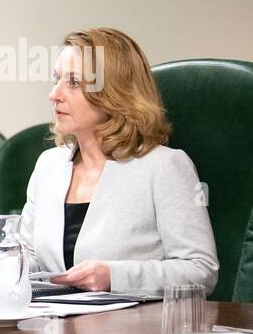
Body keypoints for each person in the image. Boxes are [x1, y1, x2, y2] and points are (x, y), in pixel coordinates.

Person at [20, 28, 218, 295]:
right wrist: (5, 265)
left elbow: (201, 270)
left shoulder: (164, 167)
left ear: (114, 94)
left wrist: (114, 276)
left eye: (74, 83)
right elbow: (28, 256)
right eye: (57, 79)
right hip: (50, 328)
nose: (54, 94)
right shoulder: (48, 165)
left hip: (130, 331)